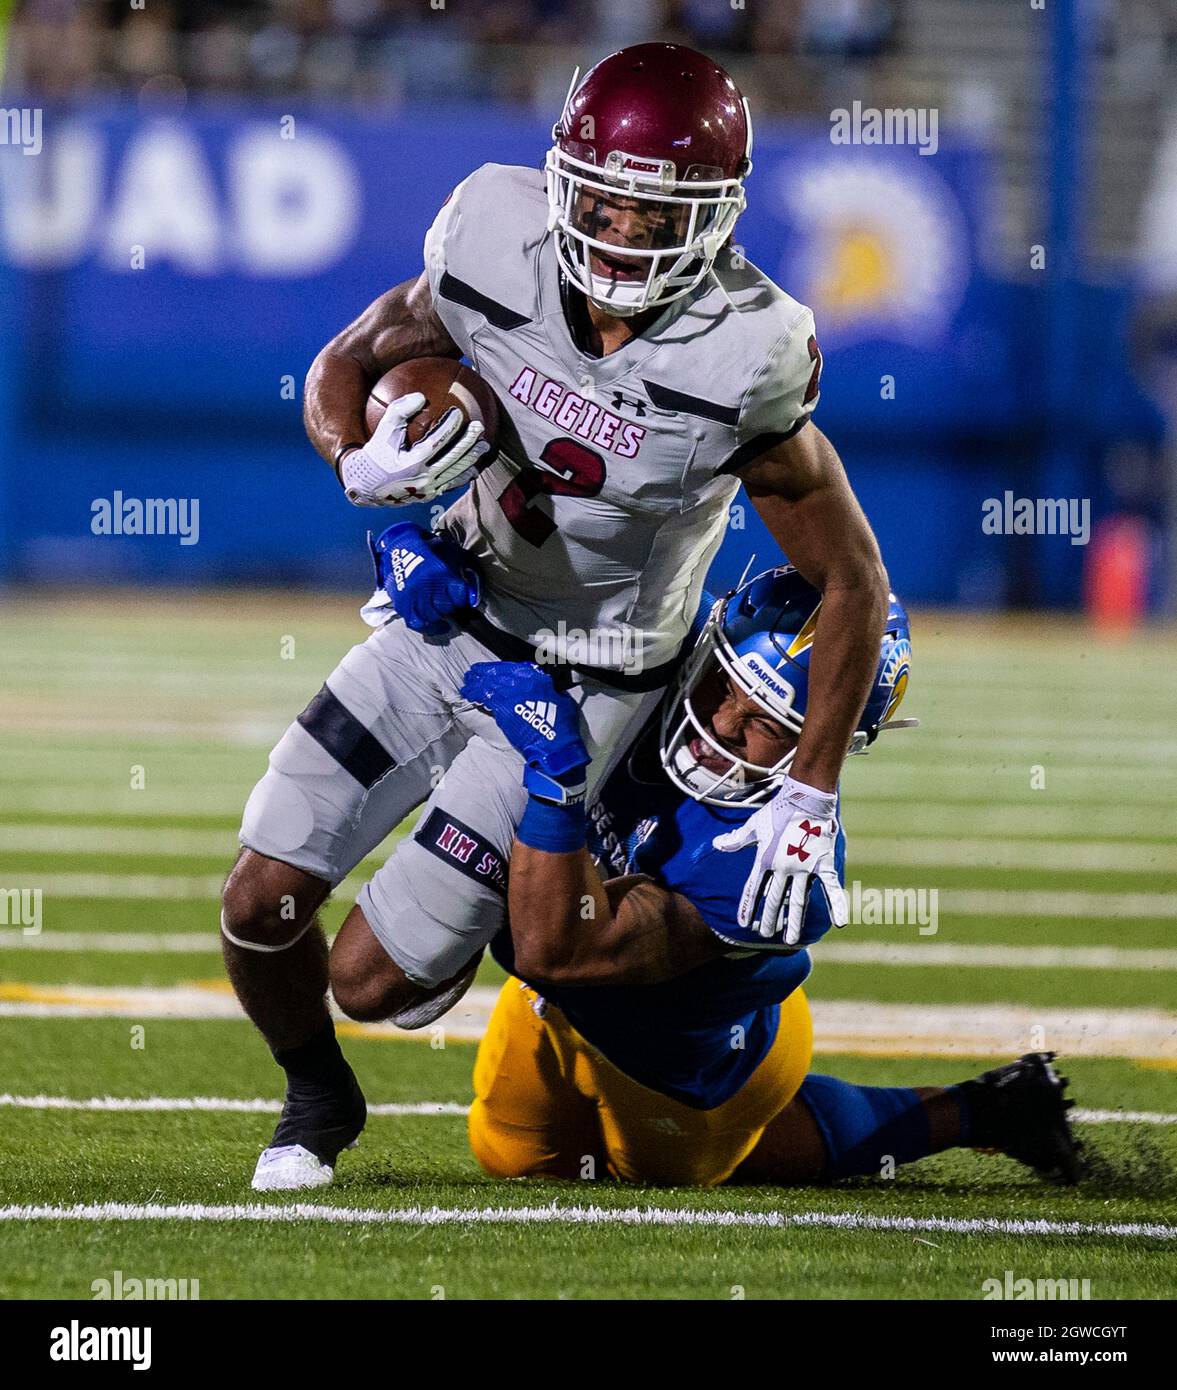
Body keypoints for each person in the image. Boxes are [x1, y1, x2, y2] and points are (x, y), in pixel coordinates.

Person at [220, 43, 891, 1192]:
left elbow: (852, 579)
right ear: (561, 180)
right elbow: (351, 358)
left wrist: (809, 786)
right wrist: (361, 473)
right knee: (259, 899)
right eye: (606, 201)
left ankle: (499, 904)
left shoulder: (750, 353)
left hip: (587, 683)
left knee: (375, 981)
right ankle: (316, 1092)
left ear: (718, 218)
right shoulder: (493, 235)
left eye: (656, 211)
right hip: (443, 616)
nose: (624, 232)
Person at [459, 567, 1083, 1187]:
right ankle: (999, 1105)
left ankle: (975, 1110)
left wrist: (557, 780)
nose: (722, 724)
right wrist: (460, 581)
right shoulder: (662, 645)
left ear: (828, 743)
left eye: (766, 722)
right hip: (562, 1004)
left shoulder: (784, 864)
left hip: (698, 1069)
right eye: (721, 683)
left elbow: (563, 947)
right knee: (505, 1153)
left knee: (632, 1171)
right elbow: (562, 597)